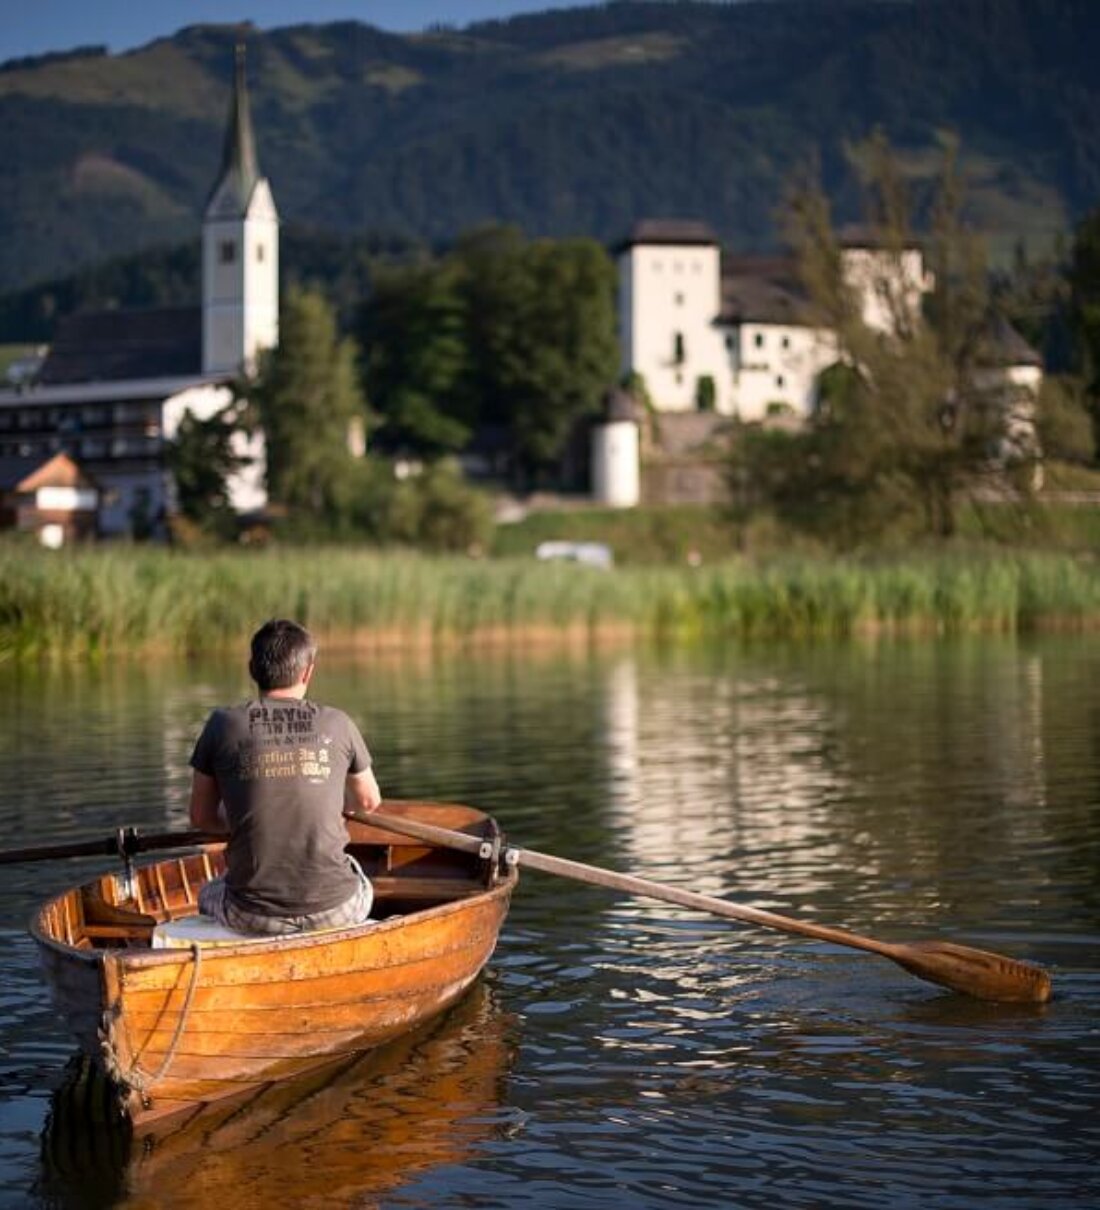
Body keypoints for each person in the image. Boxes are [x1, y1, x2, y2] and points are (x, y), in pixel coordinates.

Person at [189, 618, 382, 935]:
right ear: (308, 672)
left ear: (252, 669)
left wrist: (243, 817)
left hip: (252, 916)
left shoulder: (222, 724)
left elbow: (201, 816)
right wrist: (330, 807)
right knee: (361, 880)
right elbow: (368, 801)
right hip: (337, 909)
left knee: (207, 893)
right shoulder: (338, 723)